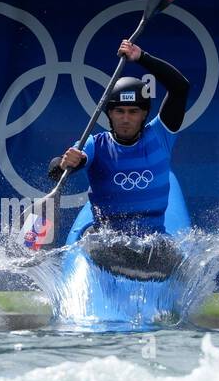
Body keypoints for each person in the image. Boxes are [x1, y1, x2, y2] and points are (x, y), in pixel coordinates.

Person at [49, 39, 190, 236]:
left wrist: (142, 57)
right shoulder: (94, 145)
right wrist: (64, 164)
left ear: (144, 114)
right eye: (119, 111)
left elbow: (180, 88)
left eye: (133, 112)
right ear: (109, 114)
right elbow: (56, 172)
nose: (125, 119)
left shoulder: (161, 135)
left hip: (154, 241)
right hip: (106, 242)